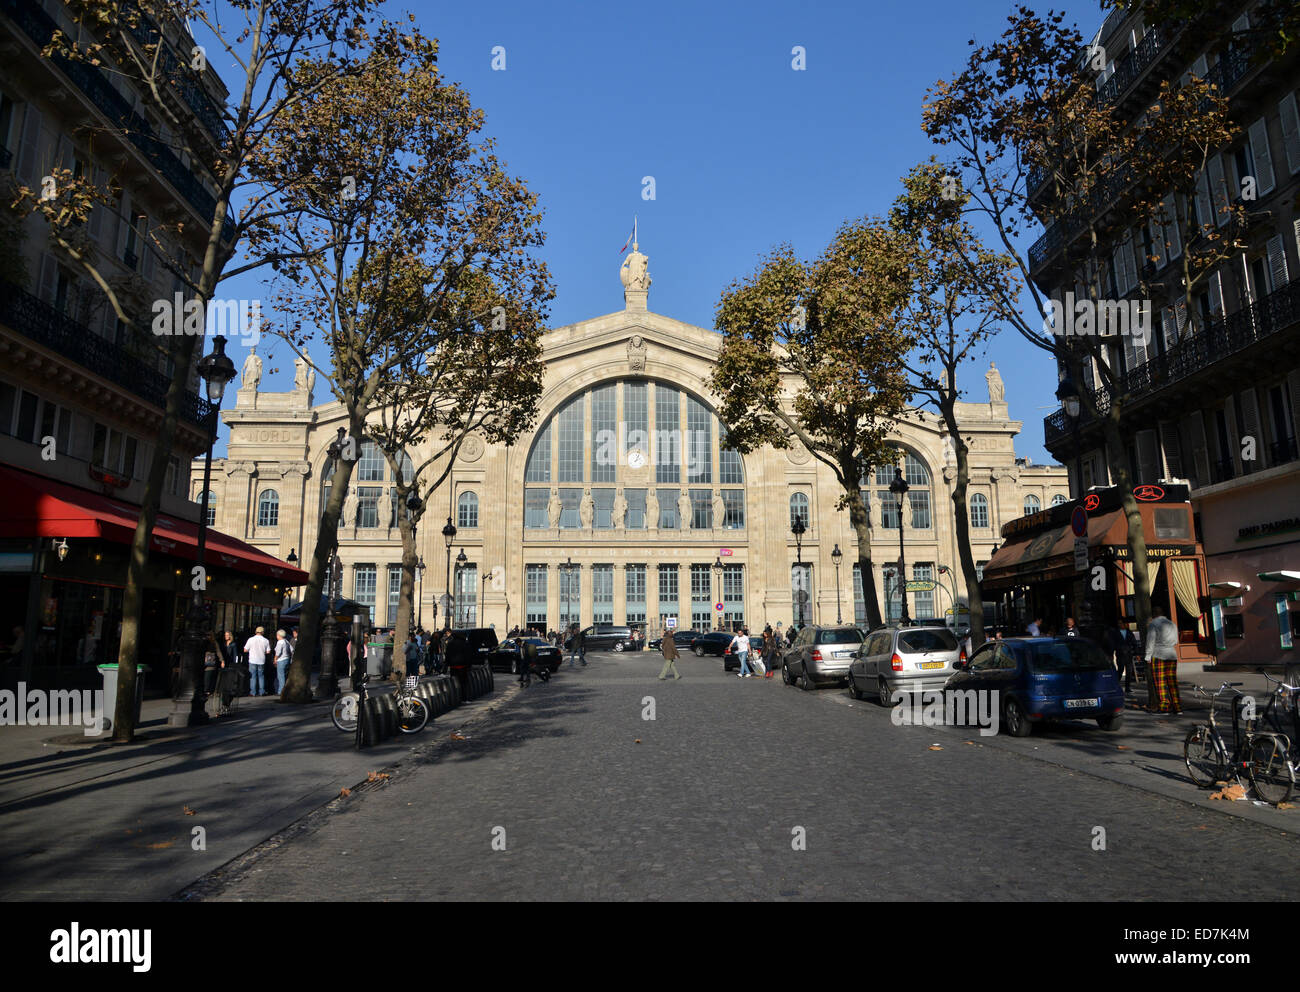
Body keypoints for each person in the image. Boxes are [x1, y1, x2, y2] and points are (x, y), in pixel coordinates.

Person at [1144, 604, 1181, 714]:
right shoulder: (1172, 624)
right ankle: (1177, 706)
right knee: (1172, 681)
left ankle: (1164, 706)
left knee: (1160, 682)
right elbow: (1176, 641)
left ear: (1154, 614)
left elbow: (1150, 641)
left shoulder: (1153, 624)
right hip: (1171, 654)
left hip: (1158, 654)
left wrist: (1147, 656)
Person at [244, 626, 271, 696]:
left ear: (256, 632)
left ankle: (253, 692)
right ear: (262, 632)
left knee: (253, 676)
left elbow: (245, 649)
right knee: (261, 676)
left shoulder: (250, 639)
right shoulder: (266, 640)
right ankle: (262, 691)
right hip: (261, 660)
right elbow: (268, 651)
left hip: (252, 660)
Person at [273, 629, 292, 694]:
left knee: (280, 676)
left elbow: (278, 653)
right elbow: (291, 650)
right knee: (285, 675)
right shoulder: (286, 641)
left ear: (279, 635)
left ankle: (281, 691)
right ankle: (285, 690)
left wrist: (275, 659)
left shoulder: (280, 642)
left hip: (281, 660)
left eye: (277, 635)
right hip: (287, 659)